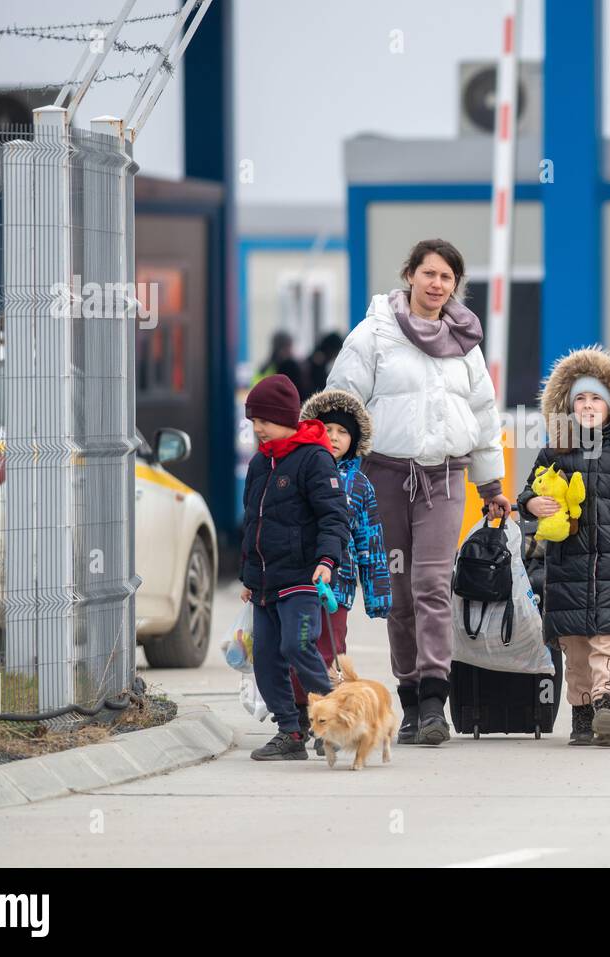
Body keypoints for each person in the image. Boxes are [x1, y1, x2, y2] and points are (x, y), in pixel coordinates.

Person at [327, 238, 511, 746]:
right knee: (400, 593)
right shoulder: (374, 335)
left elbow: (482, 415)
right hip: (384, 476)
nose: (436, 284)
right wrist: (333, 471)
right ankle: (408, 699)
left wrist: (490, 483)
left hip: (444, 479)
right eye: (428, 273)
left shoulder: (466, 343)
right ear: (410, 275)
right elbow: (341, 403)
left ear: (455, 286)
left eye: (447, 278)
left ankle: (435, 703)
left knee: (431, 584)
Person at [517, 348, 610, 747]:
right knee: (576, 648)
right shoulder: (554, 454)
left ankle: (607, 708)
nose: (588, 405)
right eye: (580, 398)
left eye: (596, 398)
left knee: (606, 642)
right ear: (568, 405)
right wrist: (531, 504)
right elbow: (529, 492)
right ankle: (582, 715)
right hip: (566, 568)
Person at [239, 374, 352, 761]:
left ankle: (334, 722)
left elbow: (335, 516)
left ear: (286, 419)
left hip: (303, 579)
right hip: (265, 585)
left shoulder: (315, 459)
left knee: (298, 645)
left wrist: (326, 560)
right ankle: (290, 732)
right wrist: (249, 577)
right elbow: (252, 522)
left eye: (264, 421)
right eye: (253, 422)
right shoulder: (259, 464)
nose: (257, 429)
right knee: (267, 657)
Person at [288, 387, 393, 755]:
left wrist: (378, 593)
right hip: (298, 579)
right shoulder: (298, 469)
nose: (333, 437)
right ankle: (302, 716)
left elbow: (371, 538)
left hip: (340, 586)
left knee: (330, 648)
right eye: (326, 429)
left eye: (342, 432)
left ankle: (332, 717)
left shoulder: (361, 485)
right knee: (298, 646)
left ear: (355, 440)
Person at [253, 330, 308, 399]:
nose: (292, 351)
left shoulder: (264, 368)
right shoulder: (288, 369)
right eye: (290, 346)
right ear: (283, 348)